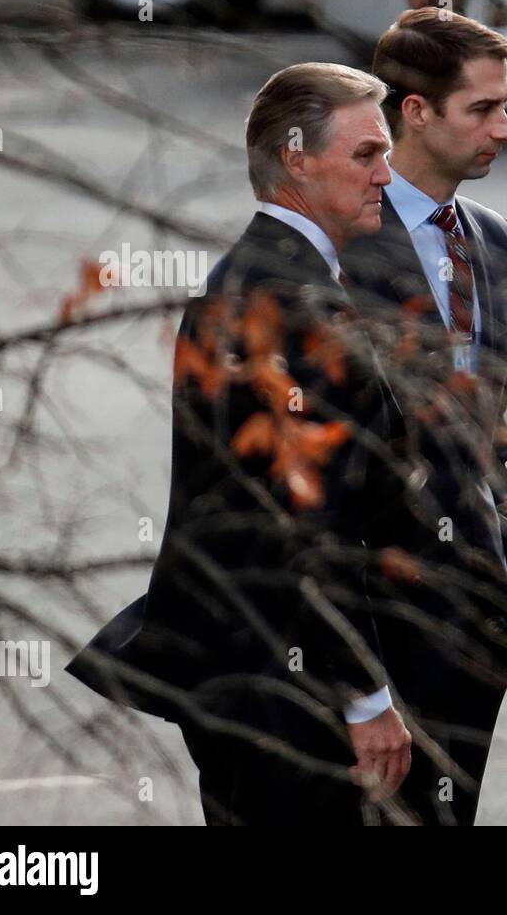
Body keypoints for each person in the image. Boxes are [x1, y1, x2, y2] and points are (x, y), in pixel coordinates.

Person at [67, 63, 415, 825]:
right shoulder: (286, 297)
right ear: (296, 158)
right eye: (365, 155)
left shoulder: (266, 275)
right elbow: (308, 518)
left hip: (256, 672)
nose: (386, 175)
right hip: (284, 687)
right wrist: (365, 696)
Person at [340, 7, 507, 826]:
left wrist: (502, 539)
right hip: (368, 620)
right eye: (483, 110)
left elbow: (487, 413)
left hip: (470, 620)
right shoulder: (335, 242)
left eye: (504, 105)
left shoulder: (494, 238)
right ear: (414, 113)